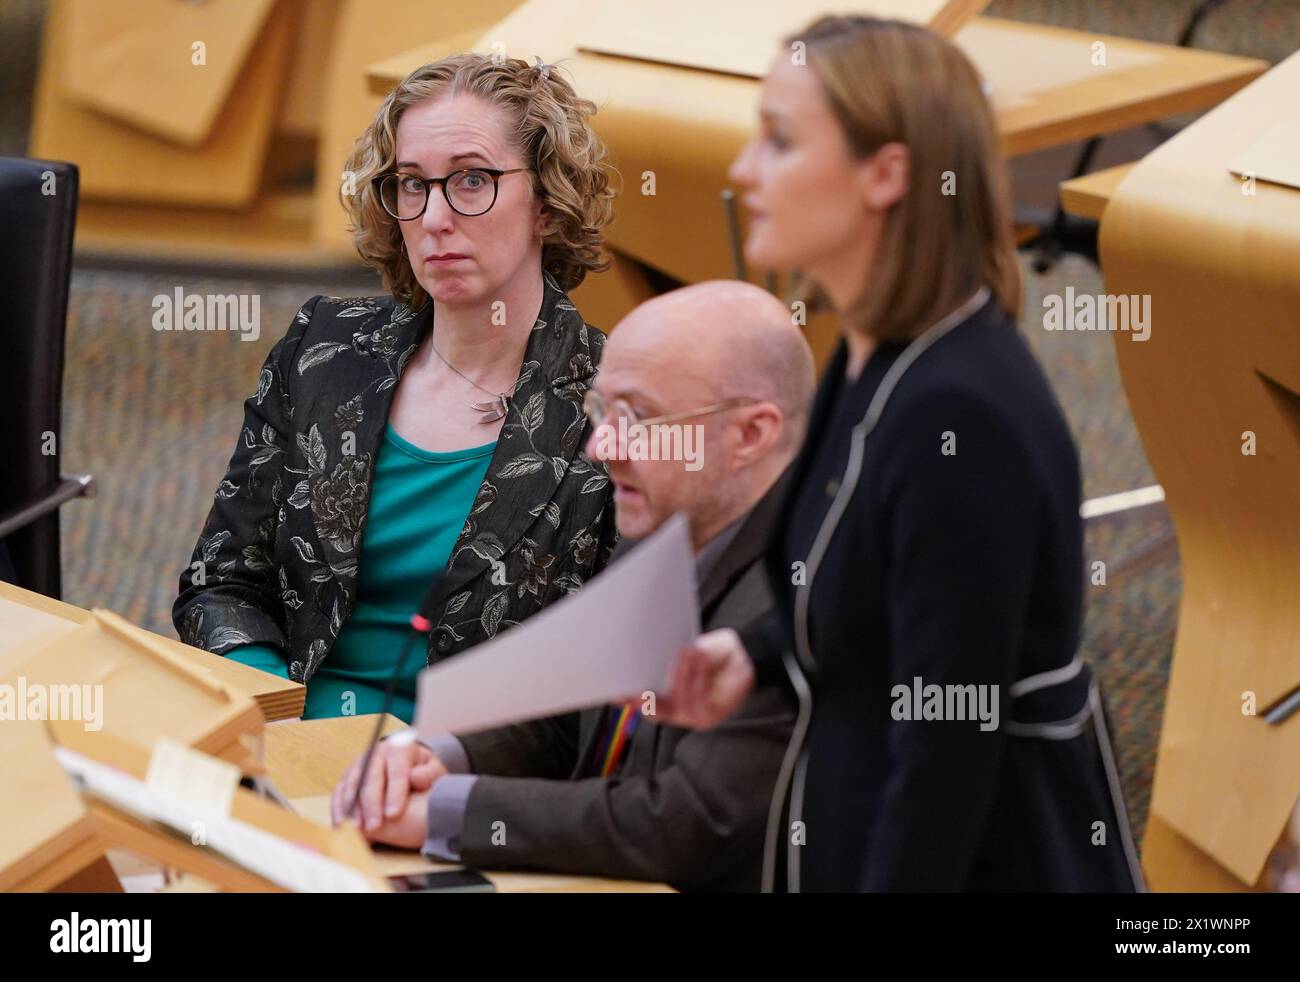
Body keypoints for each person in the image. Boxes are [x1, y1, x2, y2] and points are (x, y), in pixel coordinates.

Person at [660, 16, 1144, 893]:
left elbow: (947, 753)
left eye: (777, 141)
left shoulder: (957, 411)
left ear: (884, 174)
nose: (742, 169)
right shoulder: (875, 351)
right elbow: (881, 595)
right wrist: (760, 653)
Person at [173, 54, 618, 721]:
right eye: (412, 185)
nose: (436, 216)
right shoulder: (323, 350)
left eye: (473, 180)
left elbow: (608, 679)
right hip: (284, 739)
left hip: (467, 786)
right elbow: (222, 583)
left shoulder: (612, 401)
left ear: (547, 206)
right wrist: (277, 717)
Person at [331, 281, 816, 891]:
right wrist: (438, 758)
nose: (600, 447)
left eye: (636, 417)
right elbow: (583, 718)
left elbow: (681, 826)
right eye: (601, 412)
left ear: (750, 434)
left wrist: (448, 813)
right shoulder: (663, 519)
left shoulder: (803, 592)